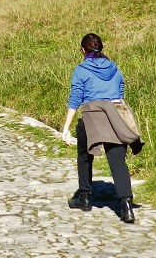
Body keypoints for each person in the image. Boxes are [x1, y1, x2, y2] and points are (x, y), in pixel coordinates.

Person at [60, 33, 143, 224]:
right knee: (117, 160)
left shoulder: (81, 70)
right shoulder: (114, 68)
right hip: (115, 114)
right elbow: (120, 91)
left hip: (92, 115)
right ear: (101, 48)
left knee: (84, 156)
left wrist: (66, 127)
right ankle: (126, 205)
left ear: (83, 50)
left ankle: (85, 197)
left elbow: (76, 98)